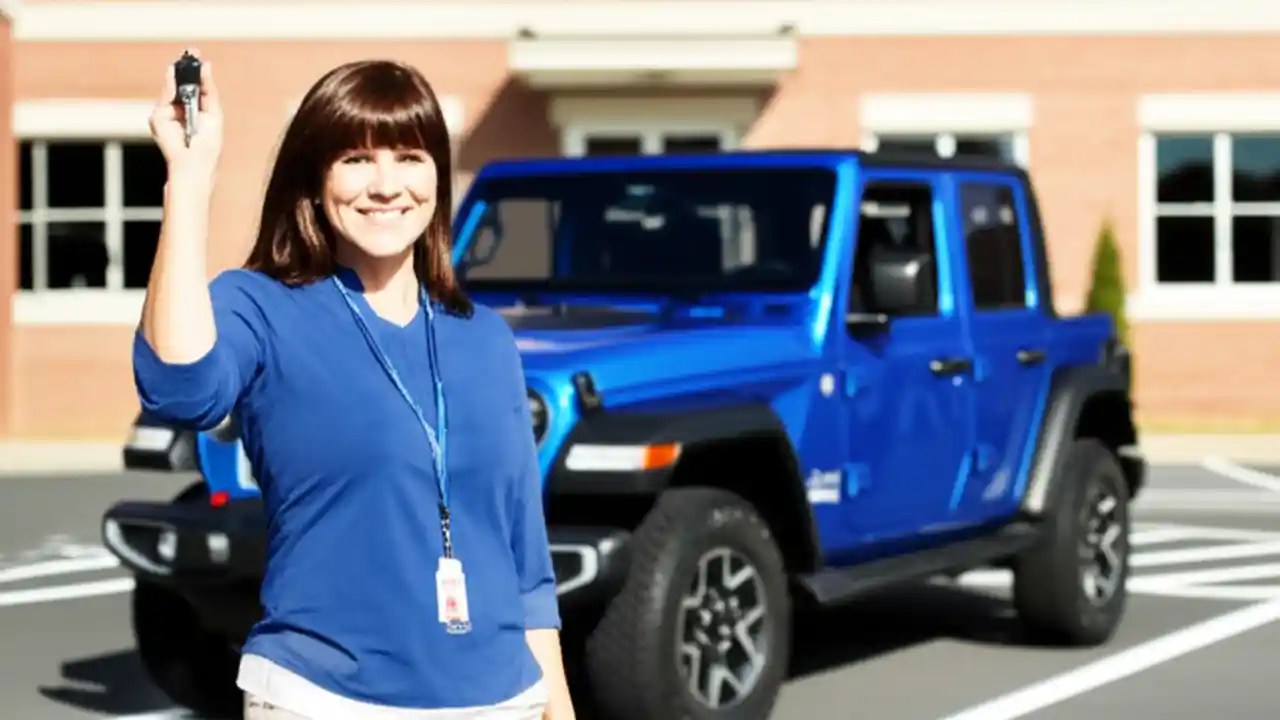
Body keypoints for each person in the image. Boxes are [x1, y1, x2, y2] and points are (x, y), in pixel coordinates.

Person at [134, 50, 576, 720]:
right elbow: (180, 389)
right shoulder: (262, 307)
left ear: (437, 177)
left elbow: (524, 554)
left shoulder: (484, 337)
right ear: (315, 179)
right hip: (325, 699)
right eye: (356, 160)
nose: (386, 184)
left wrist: (557, 707)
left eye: (408, 156)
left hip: (503, 700)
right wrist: (189, 183)